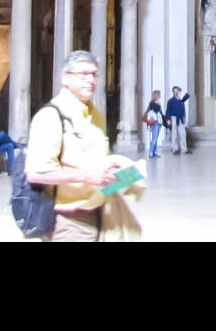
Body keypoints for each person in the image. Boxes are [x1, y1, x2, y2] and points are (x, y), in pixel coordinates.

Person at [26, 50, 145, 241]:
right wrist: (87, 176)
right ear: (65, 78)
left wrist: (121, 173)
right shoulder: (50, 117)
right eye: (83, 74)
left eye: (94, 74)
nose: (90, 80)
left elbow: (96, 165)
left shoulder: (97, 116)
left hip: (101, 211)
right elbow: (36, 173)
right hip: (69, 220)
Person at [165, 86, 190, 154]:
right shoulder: (171, 101)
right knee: (174, 134)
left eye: (177, 90)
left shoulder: (181, 99)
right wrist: (168, 119)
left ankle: (184, 149)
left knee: (183, 134)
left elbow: (187, 95)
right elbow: (168, 111)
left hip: (181, 118)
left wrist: (182, 92)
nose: (176, 92)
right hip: (174, 118)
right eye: (175, 91)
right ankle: (175, 149)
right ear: (173, 92)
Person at [142, 90, 164, 158]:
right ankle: (151, 152)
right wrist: (158, 104)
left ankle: (154, 152)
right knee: (154, 138)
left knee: (156, 138)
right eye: (158, 94)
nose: (159, 96)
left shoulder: (158, 102)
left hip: (159, 121)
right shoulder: (152, 103)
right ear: (156, 95)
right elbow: (156, 110)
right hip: (154, 122)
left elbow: (160, 113)